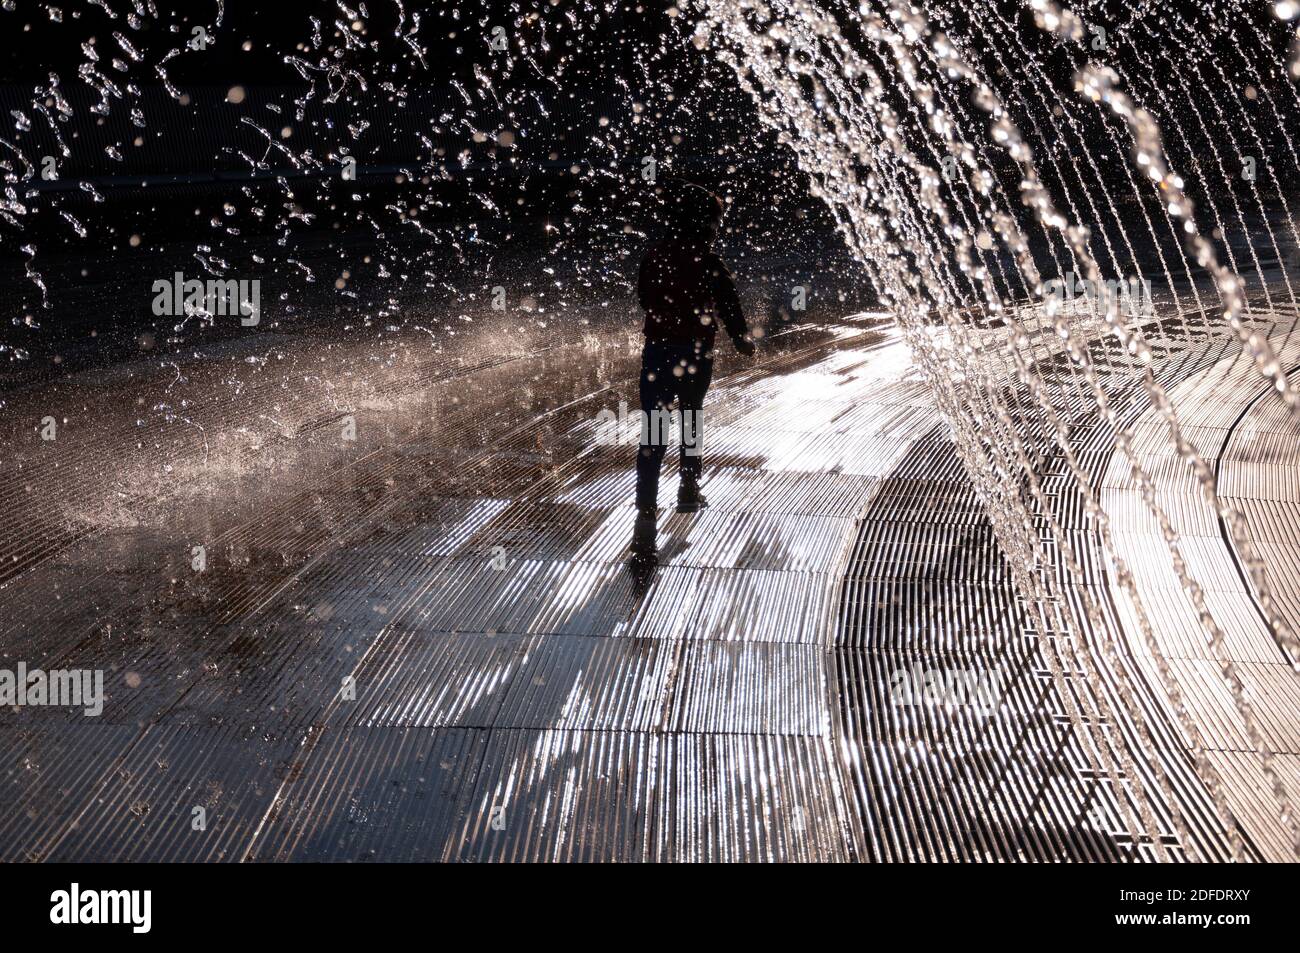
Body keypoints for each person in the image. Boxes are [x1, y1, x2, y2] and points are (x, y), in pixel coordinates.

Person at [630, 183, 755, 565]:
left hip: (658, 351)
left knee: (653, 431)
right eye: (715, 221)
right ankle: (688, 484)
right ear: (705, 223)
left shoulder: (655, 256)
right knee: (691, 416)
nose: (717, 228)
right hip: (696, 351)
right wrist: (742, 340)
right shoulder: (710, 262)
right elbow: (730, 307)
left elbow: (644, 297)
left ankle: (645, 517)